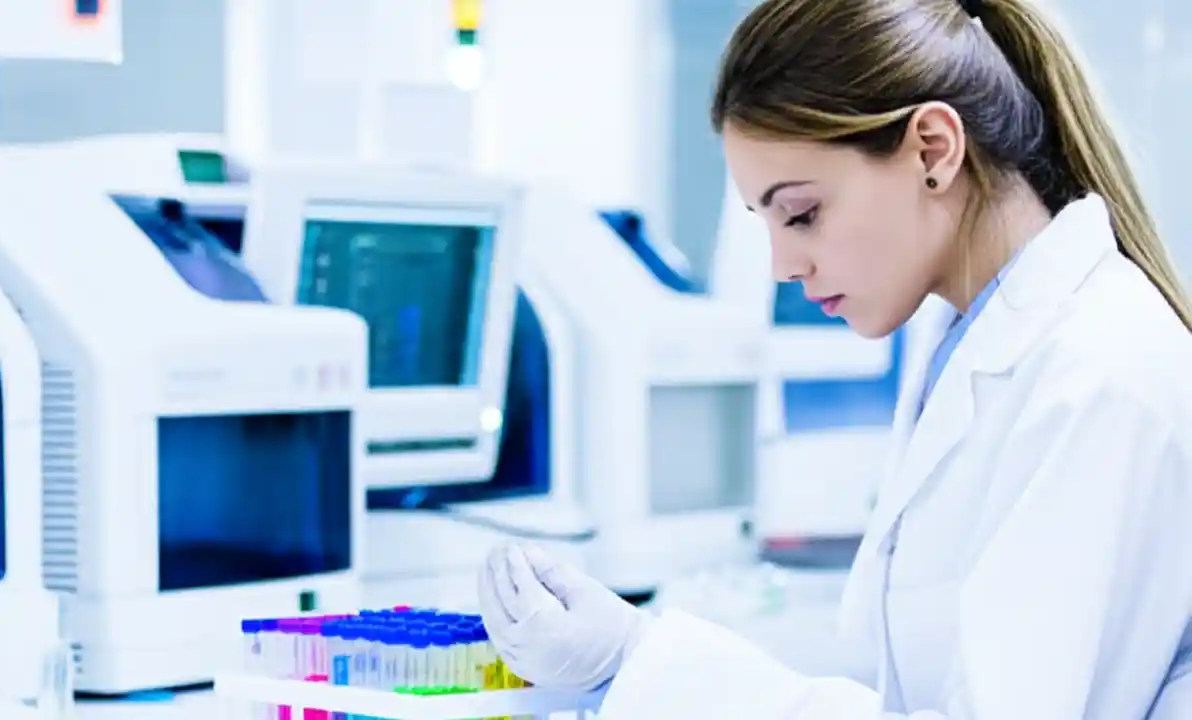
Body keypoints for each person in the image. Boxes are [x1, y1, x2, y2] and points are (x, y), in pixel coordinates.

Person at [476, 0, 1192, 716]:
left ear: (933, 151)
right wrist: (636, 656)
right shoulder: (973, 348)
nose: (783, 266)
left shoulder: (1097, 376)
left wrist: (641, 662)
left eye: (802, 214)